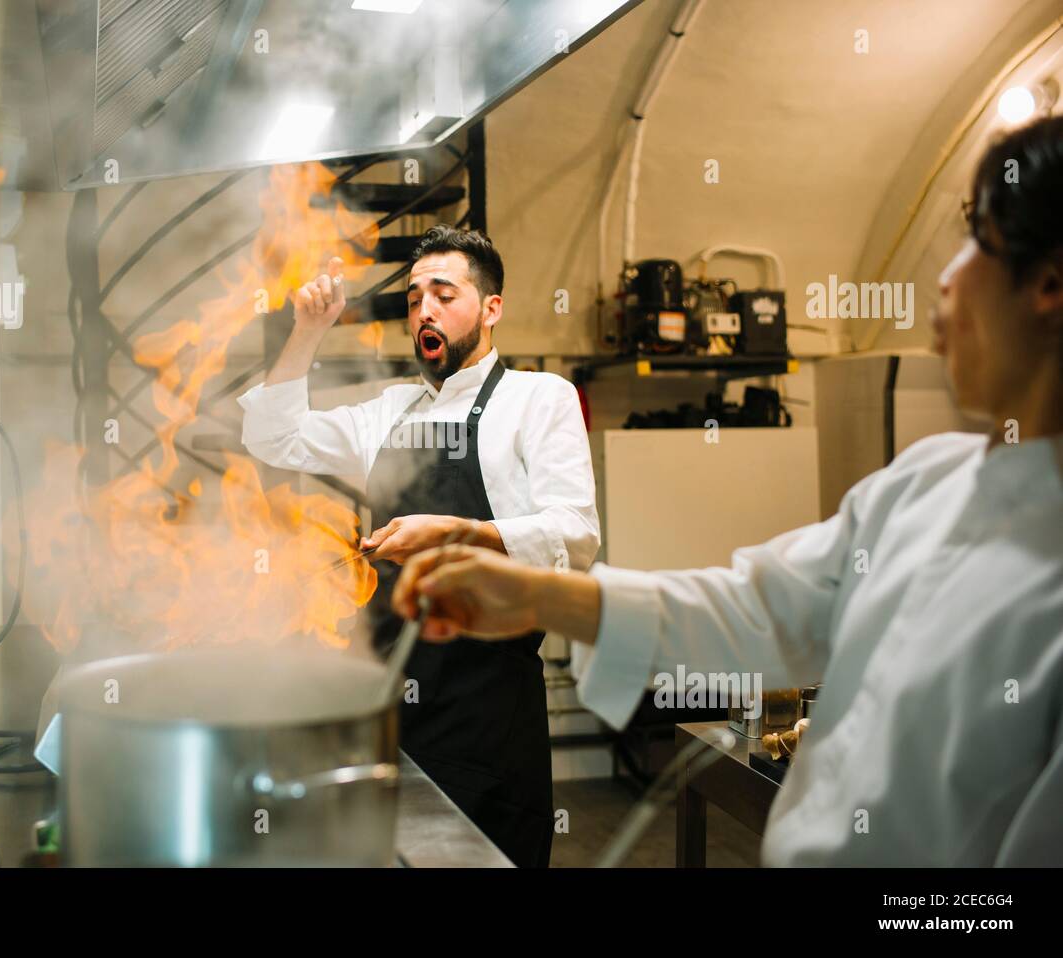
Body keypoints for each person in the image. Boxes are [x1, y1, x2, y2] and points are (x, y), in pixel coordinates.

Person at [392, 114, 1063, 866]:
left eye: (977, 234)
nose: (945, 273)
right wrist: (539, 597)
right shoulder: (926, 481)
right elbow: (757, 607)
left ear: (1048, 285)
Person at [238, 225, 600, 867]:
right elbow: (272, 438)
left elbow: (576, 536)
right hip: (390, 700)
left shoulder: (538, 400)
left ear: (492, 308)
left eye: (443, 293)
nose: (423, 310)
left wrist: (455, 533)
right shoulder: (389, 411)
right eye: (412, 299)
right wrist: (310, 331)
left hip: (489, 704)